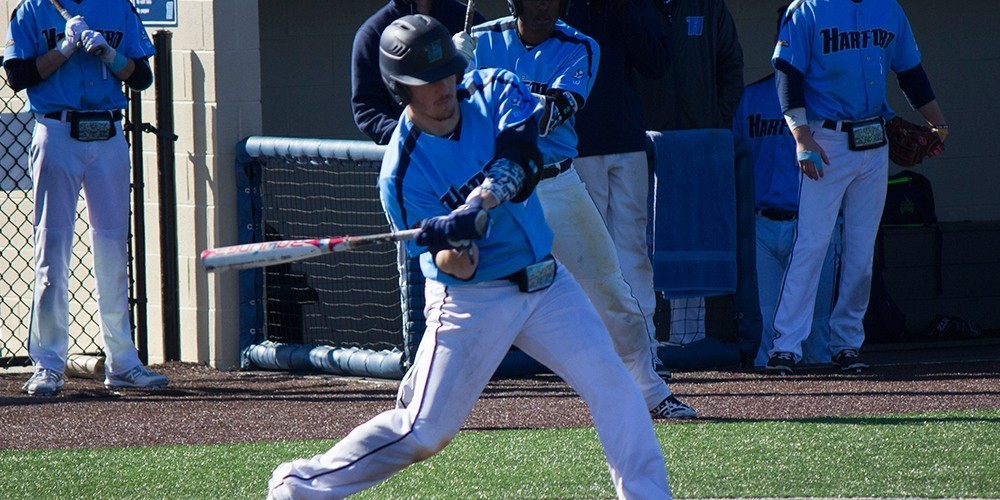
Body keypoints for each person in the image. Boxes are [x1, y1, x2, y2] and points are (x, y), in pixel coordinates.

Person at [268, 15, 671, 499]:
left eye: (447, 73)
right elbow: (457, 269)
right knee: (425, 431)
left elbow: (522, 160)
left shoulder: (496, 87)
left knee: (614, 384)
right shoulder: (403, 176)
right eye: (427, 80)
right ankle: (300, 484)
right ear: (401, 89)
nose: (443, 87)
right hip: (473, 299)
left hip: (546, 282)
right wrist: (455, 243)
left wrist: (477, 203)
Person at [462, 0, 695, 418]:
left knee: (610, 289)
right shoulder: (478, 41)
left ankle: (650, 390)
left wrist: (481, 89)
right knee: (459, 296)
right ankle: (416, 395)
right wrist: (452, 70)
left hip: (555, 183)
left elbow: (547, 116)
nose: (544, 7)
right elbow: (442, 114)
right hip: (494, 188)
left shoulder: (580, 45)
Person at [767, 0, 948, 374]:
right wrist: (801, 138)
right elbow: (786, 73)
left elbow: (909, 70)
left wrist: (937, 124)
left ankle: (846, 343)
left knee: (861, 251)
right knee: (813, 243)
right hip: (825, 140)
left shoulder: (889, 8)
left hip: (874, 139)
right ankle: (785, 345)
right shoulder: (809, 9)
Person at [3, 0, 167, 396]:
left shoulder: (115, 6)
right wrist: (63, 49)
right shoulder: (31, 9)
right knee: (52, 248)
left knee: (112, 247)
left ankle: (123, 362)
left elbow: (141, 76)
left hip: (108, 132)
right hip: (57, 130)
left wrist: (110, 55)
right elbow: (17, 75)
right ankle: (47, 364)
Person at [351, 0, 487, 366]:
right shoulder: (374, 32)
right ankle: (419, 375)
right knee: (430, 286)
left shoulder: (463, 16)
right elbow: (365, 108)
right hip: (421, 178)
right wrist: (416, 136)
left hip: (472, 157)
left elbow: (485, 89)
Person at [636, 0, 745, 347]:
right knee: (641, 242)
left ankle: (688, 339)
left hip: (697, 147)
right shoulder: (631, 6)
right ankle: (646, 340)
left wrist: (715, 122)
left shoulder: (707, 5)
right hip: (645, 149)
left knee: (691, 241)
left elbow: (731, 65)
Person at [733, 68, 841, 369]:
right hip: (762, 223)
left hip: (814, 223)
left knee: (818, 329)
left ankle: (830, 409)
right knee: (766, 325)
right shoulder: (751, 96)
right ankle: (775, 411)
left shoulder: (829, 94)